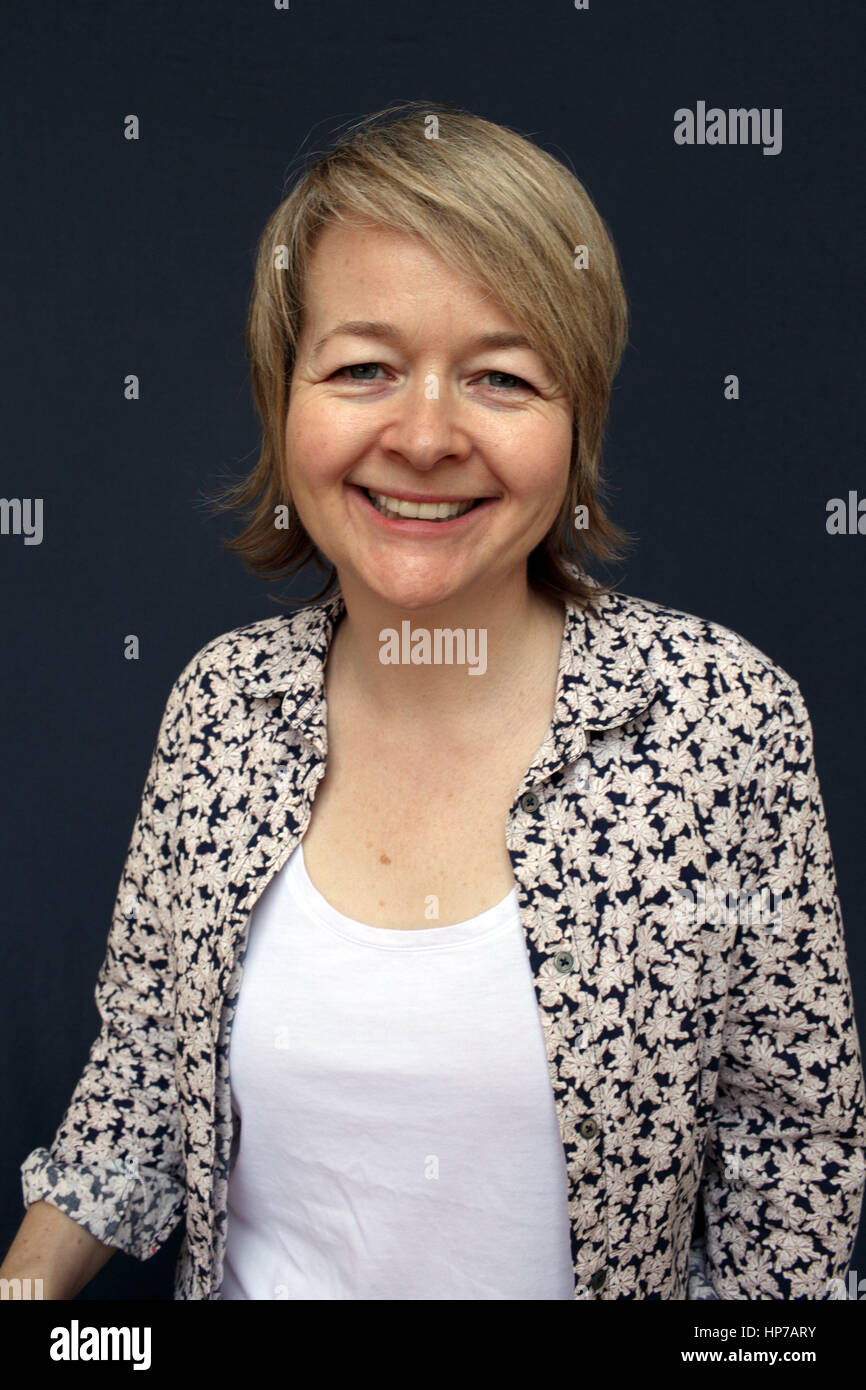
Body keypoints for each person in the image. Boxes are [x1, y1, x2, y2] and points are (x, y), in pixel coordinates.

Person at [3, 101, 865, 1301]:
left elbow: (789, 1156)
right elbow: (145, 1077)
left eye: (501, 377)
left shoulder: (722, 723)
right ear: (282, 400)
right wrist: (26, 1291)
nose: (423, 434)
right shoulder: (219, 708)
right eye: (361, 368)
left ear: (577, 425)